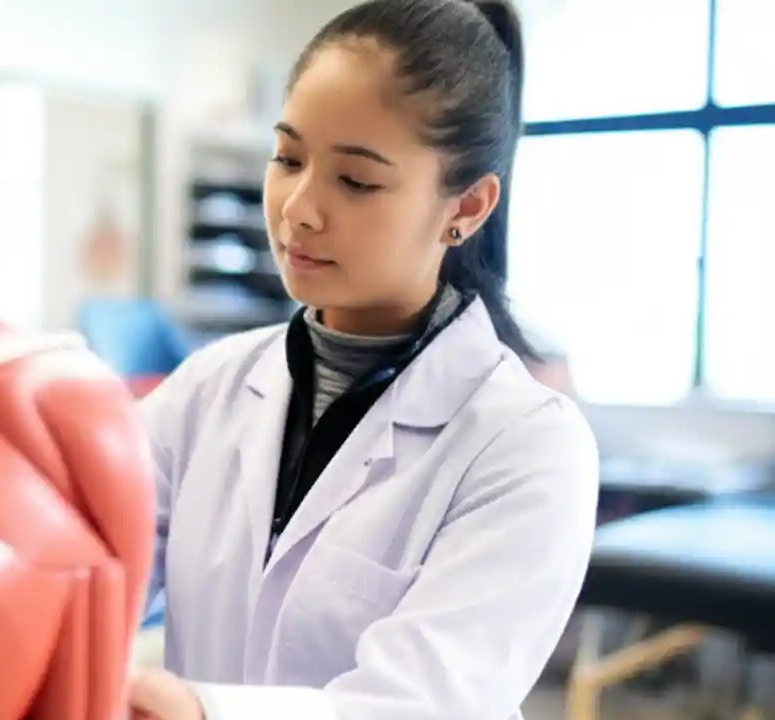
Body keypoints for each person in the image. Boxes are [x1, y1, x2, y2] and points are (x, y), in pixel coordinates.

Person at [127, 1, 600, 719]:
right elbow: (85, 561)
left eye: (356, 181)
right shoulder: (209, 388)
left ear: (467, 207)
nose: (298, 209)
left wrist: (197, 711)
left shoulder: (528, 446)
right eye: (287, 158)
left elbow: (421, 704)